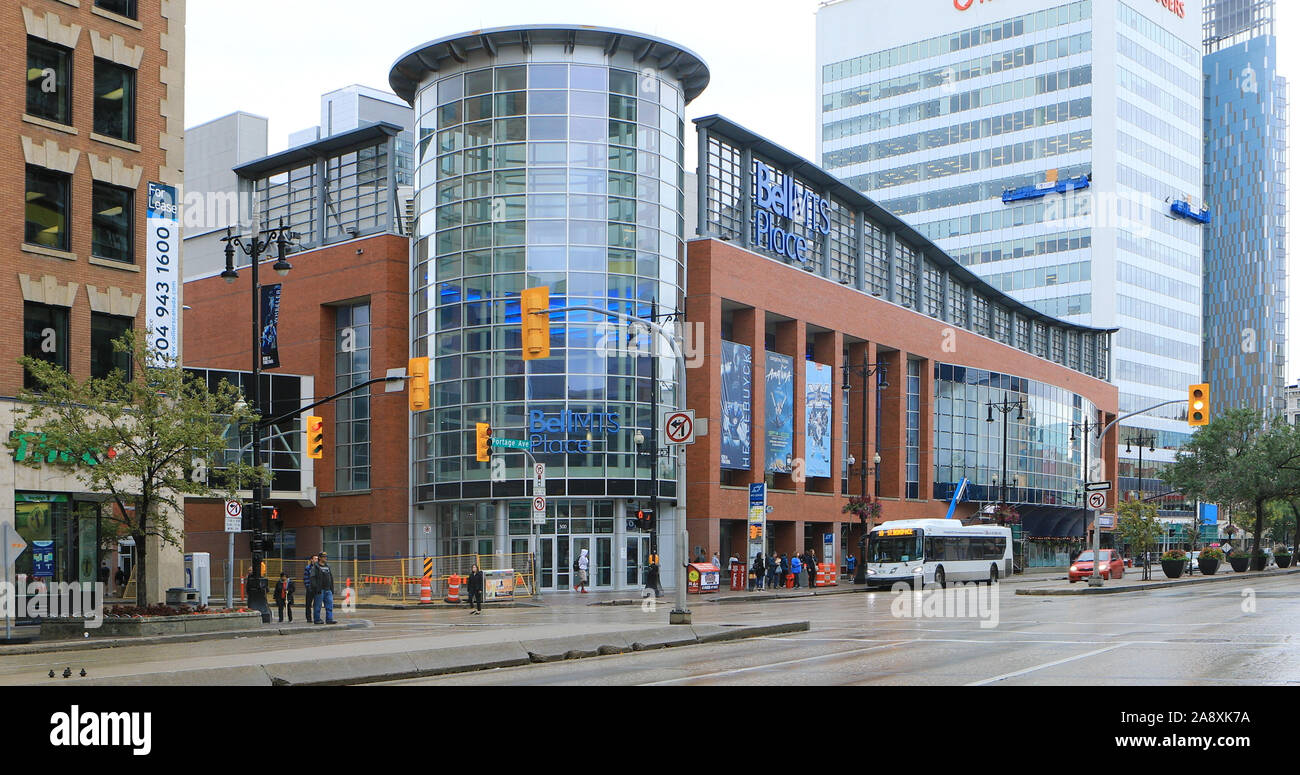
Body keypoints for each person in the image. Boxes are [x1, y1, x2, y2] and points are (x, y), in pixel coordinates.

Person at [312, 552, 336, 624]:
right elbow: (312, 578)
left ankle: (329, 619)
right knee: (318, 606)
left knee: (329, 605)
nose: (325, 558)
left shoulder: (328, 566)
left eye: (326, 556)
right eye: (324, 556)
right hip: (320, 590)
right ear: (320, 558)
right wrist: (316, 588)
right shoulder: (315, 567)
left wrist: (332, 588)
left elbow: (330, 578)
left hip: (328, 589)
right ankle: (317, 619)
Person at [303, 554, 318, 622]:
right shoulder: (308, 568)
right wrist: (308, 586)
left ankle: (316, 617)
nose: (316, 560)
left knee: (317, 604)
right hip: (310, 588)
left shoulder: (319, 568)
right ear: (311, 560)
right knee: (308, 604)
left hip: (317, 588)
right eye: (315, 558)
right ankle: (308, 618)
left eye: (317, 559)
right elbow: (306, 577)